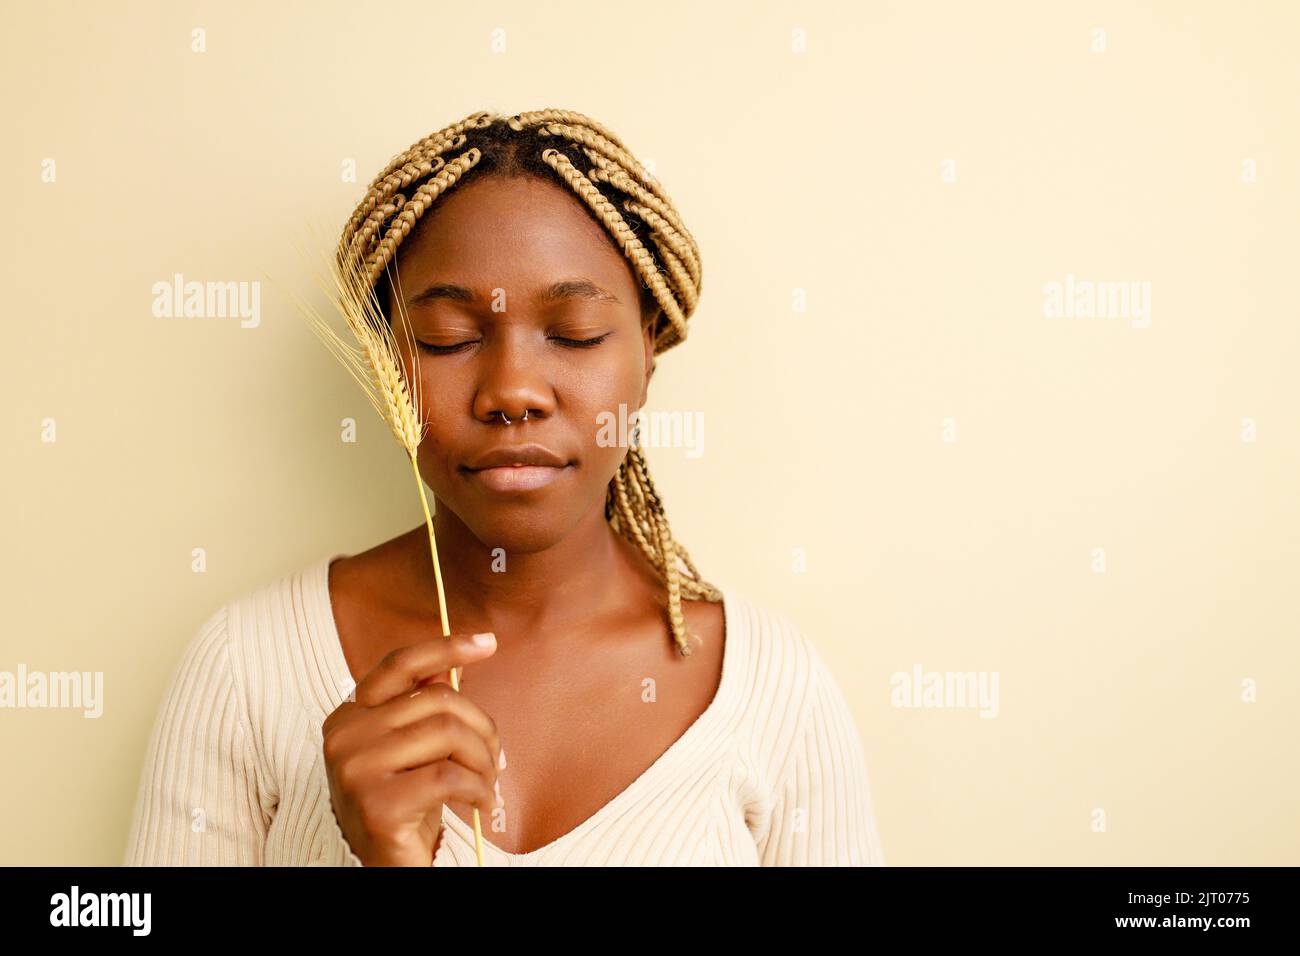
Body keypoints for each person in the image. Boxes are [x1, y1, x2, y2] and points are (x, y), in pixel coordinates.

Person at [123, 109, 885, 866]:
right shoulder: (246, 668)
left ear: (647, 352)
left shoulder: (775, 692)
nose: (512, 391)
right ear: (388, 361)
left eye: (576, 332)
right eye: (448, 338)